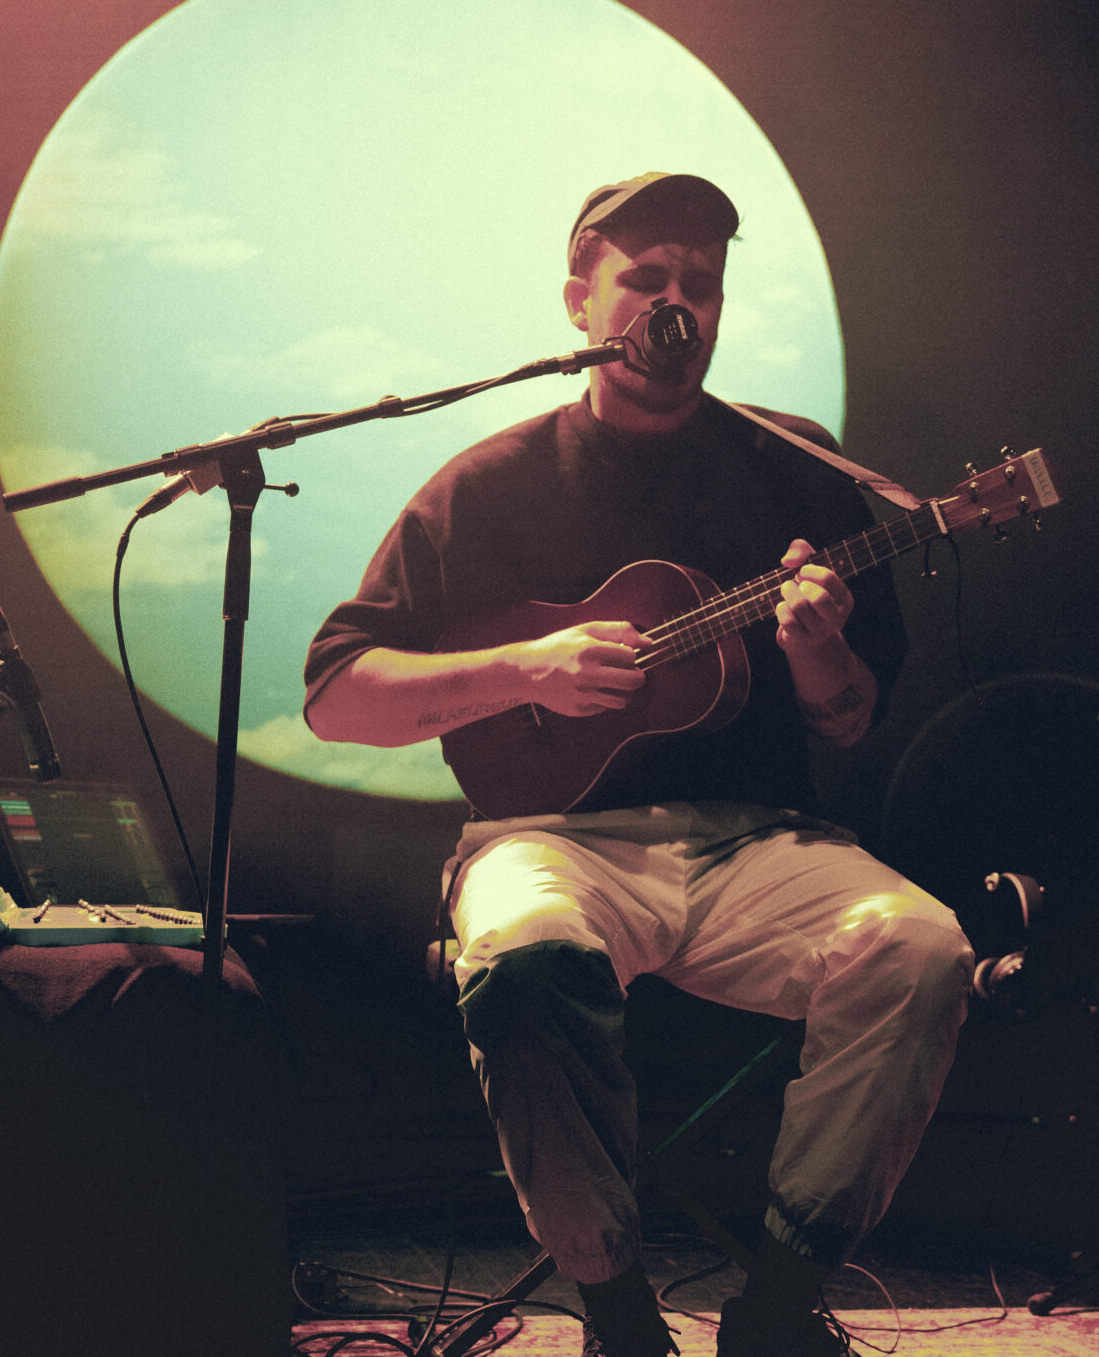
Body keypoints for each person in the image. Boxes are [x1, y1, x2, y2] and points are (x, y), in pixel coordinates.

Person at [304, 173, 974, 1357]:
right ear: (580, 302)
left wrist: (816, 654)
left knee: (920, 949)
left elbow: (848, 721)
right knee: (522, 957)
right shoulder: (490, 483)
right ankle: (613, 1304)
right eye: (646, 279)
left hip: (762, 843)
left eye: (700, 284)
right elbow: (338, 697)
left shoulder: (803, 469)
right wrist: (525, 671)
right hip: (548, 839)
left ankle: (776, 1296)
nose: (678, 303)